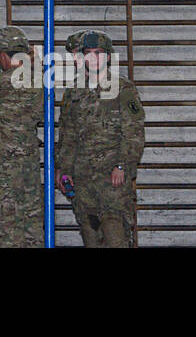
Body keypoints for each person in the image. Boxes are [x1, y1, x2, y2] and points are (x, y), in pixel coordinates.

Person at [55, 31, 145, 247]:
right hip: (83, 179)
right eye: (88, 53)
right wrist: (63, 170)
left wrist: (122, 165)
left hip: (112, 179)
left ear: (108, 56)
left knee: (116, 236)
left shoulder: (123, 89)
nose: (94, 58)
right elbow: (67, 136)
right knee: (91, 238)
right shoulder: (73, 92)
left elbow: (134, 132)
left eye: (99, 53)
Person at [0, 26, 43, 247]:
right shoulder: (38, 82)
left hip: (5, 169)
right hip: (29, 168)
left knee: (8, 226)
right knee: (32, 225)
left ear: (3, 55)